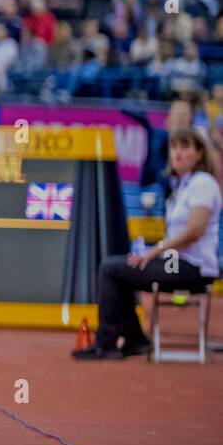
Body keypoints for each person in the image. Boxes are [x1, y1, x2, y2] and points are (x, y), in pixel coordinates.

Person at [74, 128, 220, 359]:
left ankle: (107, 343)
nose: (178, 153)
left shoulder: (203, 183)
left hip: (194, 267)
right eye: (174, 148)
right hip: (174, 262)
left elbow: (195, 230)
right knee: (120, 269)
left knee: (111, 269)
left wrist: (154, 252)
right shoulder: (181, 185)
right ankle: (134, 339)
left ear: (200, 153)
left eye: (185, 148)